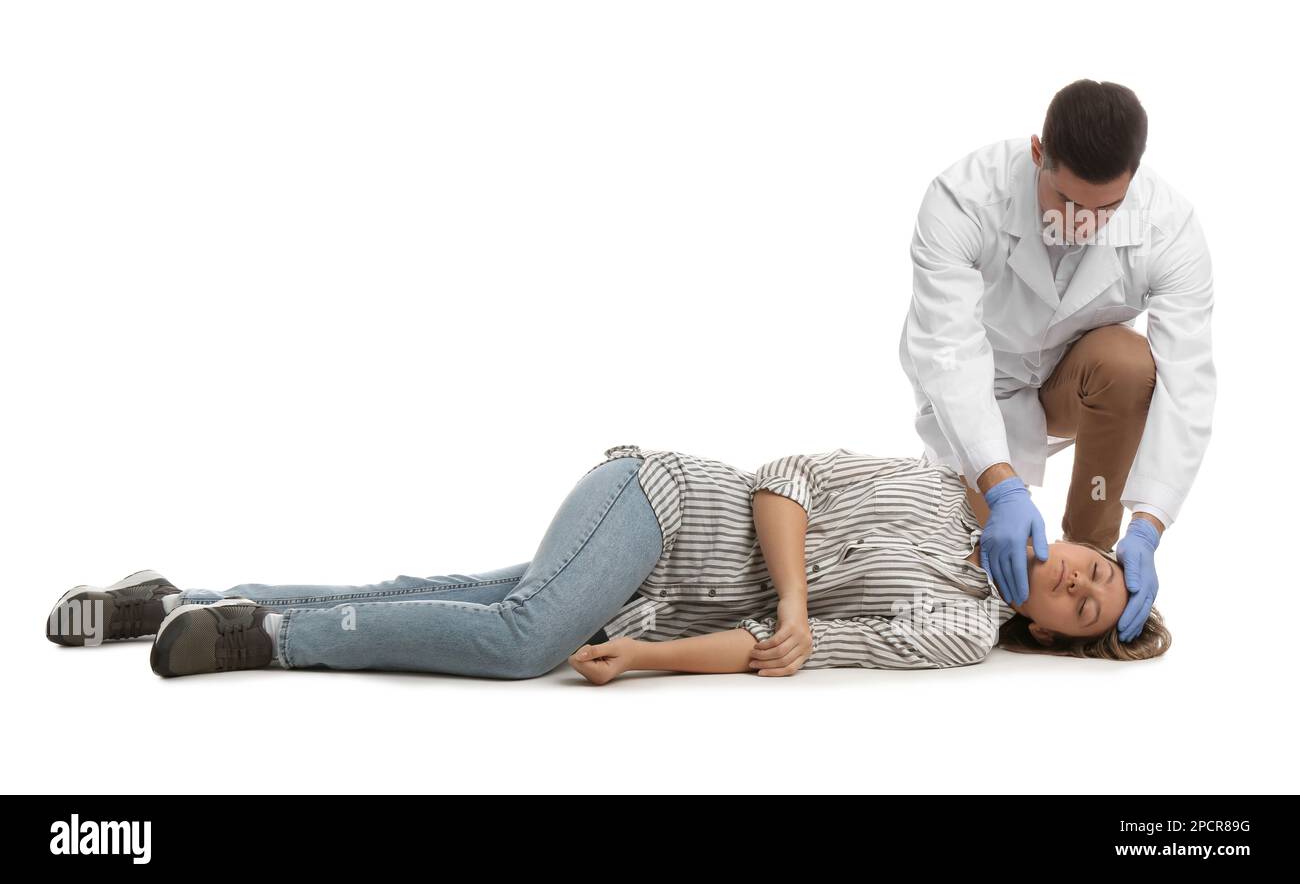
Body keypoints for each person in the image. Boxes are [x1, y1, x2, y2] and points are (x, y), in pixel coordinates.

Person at [45, 444, 1170, 680]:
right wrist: (788, 590)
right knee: (524, 635)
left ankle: (172, 600)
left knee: (454, 599)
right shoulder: (951, 484)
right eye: (1093, 565)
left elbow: (793, 649)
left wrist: (648, 654)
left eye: (1086, 608)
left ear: (1049, 631)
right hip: (660, 498)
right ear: (1075, 538)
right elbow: (782, 480)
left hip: (649, 587)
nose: (1079, 583)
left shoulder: (963, 630)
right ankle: (271, 640)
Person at [898, 79, 1216, 643]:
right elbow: (949, 349)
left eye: (1108, 208)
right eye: (1069, 202)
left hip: (1073, 381)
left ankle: (1093, 544)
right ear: (1038, 153)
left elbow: (1186, 382)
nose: (1085, 223)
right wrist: (1001, 487)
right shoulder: (963, 197)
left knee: (1128, 362)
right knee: (967, 562)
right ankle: (1008, 534)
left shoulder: (1171, 230)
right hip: (980, 383)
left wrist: (1150, 524)